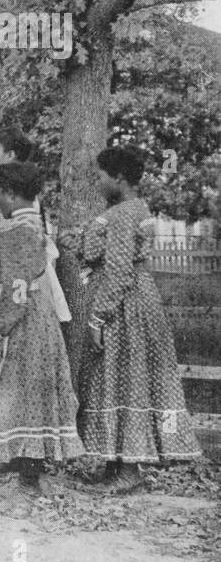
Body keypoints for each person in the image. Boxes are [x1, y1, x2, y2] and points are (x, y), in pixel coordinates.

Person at [67, 147, 201, 493]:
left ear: (119, 178)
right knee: (115, 377)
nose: (98, 184)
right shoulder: (125, 211)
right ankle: (116, 465)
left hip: (126, 307)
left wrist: (99, 318)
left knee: (126, 377)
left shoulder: (125, 213)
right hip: (128, 302)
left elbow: (120, 269)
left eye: (101, 176)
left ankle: (130, 472)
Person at [0, 162, 83, 497]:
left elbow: (17, 290)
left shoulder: (20, 233)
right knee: (28, 394)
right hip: (38, 316)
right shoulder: (29, 227)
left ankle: (29, 480)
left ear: (9, 193)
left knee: (27, 395)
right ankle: (24, 469)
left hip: (27, 321)